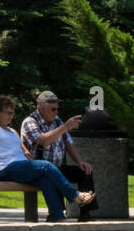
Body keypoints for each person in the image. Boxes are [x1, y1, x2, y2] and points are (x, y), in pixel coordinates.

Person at [0, 95, 92, 222]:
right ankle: (76, 196)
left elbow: (22, 148)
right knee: (46, 166)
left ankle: (58, 218)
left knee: (46, 181)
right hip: (7, 168)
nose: (11, 116)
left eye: (12, 113)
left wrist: (28, 155)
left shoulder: (12, 131)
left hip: (21, 166)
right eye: (7, 112)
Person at [20, 91, 98, 220]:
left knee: (84, 171)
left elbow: (69, 143)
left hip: (56, 167)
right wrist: (65, 126)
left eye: (57, 109)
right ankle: (56, 213)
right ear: (41, 108)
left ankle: (86, 214)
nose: (56, 112)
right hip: (39, 170)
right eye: (53, 109)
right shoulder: (30, 122)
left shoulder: (57, 121)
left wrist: (80, 162)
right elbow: (43, 141)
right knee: (53, 173)